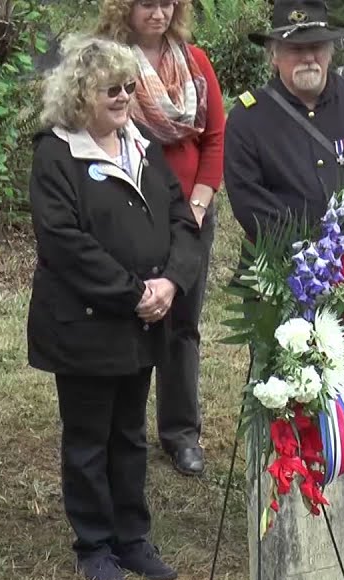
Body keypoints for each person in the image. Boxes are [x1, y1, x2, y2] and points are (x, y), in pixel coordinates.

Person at [224, 0, 344, 576]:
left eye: (316, 46)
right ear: (275, 54)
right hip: (285, 283)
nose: (307, 56)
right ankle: (291, 505)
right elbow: (248, 199)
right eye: (294, 47)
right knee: (288, 393)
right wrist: (307, 253)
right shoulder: (249, 117)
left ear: (330, 50)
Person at [27, 35, 201, 580]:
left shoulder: (142, 145)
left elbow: (181, 218)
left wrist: (171, 281)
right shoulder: (56, 154)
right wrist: (133, 292)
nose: (125, 97)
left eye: (129, 87)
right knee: (87, 438)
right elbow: (64, 242)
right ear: (81, 96)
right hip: (84, 324)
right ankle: (94, 544)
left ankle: (133, 538)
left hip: (144, 319)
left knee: (129, 433)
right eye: (112, 90)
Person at [96, 0, 226, 477]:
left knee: (182, 324)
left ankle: (180, 432)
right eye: (147, 4)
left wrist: (196, 207)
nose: (159, 13)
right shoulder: (110, 64)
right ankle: (118, 427)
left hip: (191, 214)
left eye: (167, 3)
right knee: (132, 316)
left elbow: (214, 138)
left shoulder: (195, 62)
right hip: (133, 213)